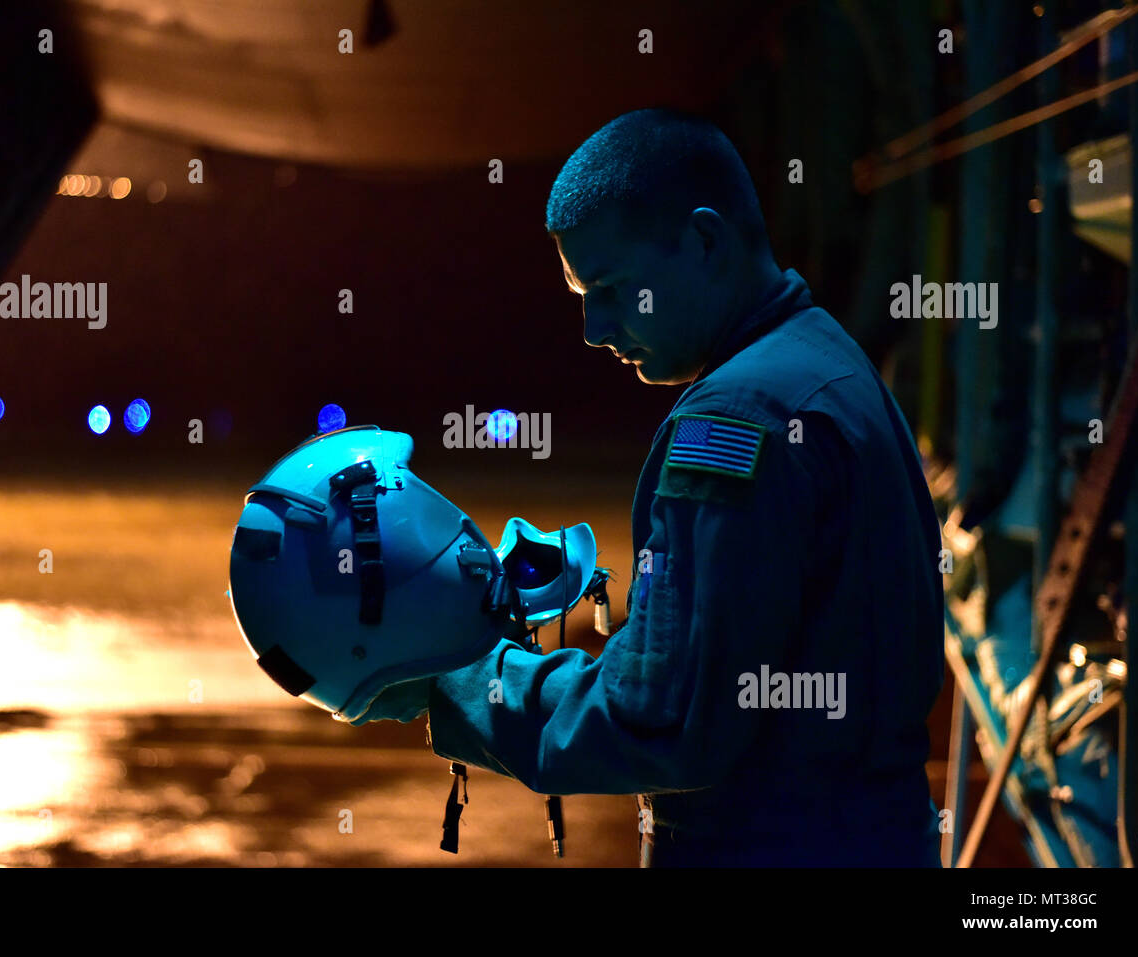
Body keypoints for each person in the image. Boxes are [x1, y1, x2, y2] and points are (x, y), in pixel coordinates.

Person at [352, 108, 945, 867]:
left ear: (704, 241)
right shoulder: (830, 362)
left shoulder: (736, 416)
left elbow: (665, 715)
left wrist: (465, 684)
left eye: (614, 288)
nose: (595, 328)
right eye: (580, 295)